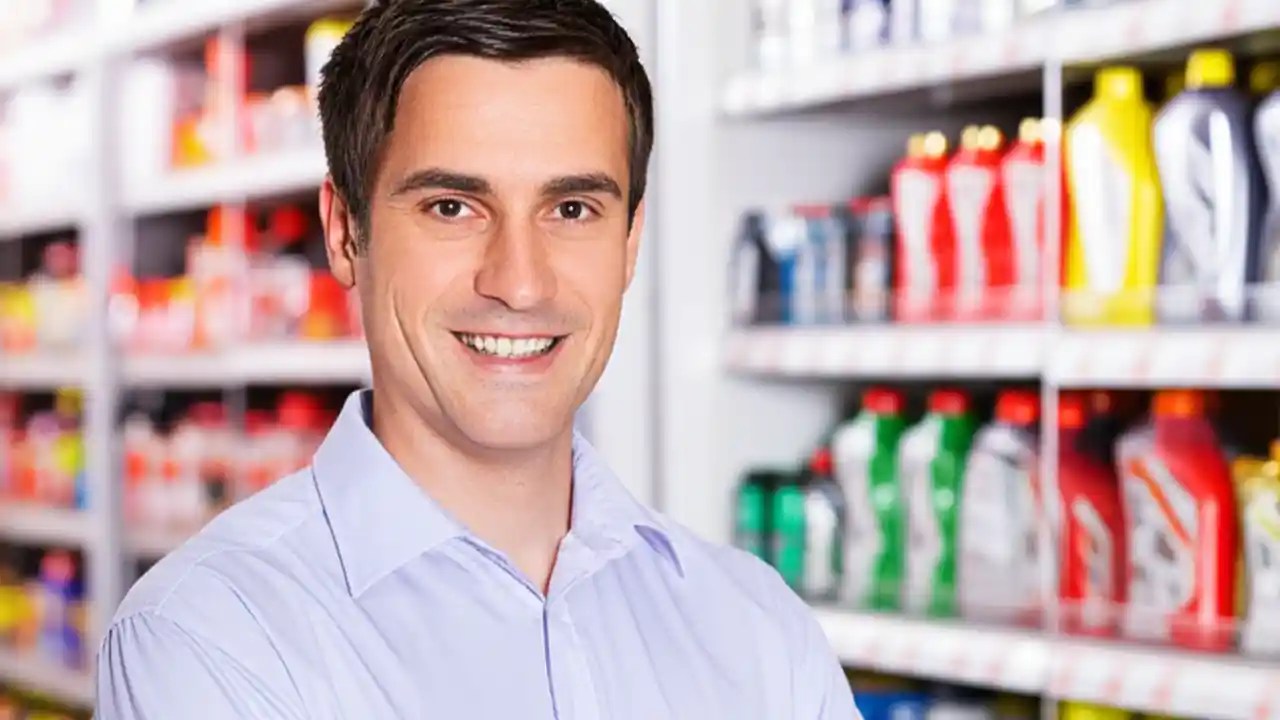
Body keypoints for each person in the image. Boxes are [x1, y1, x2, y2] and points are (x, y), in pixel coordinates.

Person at [95, 1, 857, 717]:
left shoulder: (759, 631)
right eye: (452, 208)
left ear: (630, 241)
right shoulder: (209, 639)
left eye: (571, 210)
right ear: (344, 232)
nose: (519, 282)